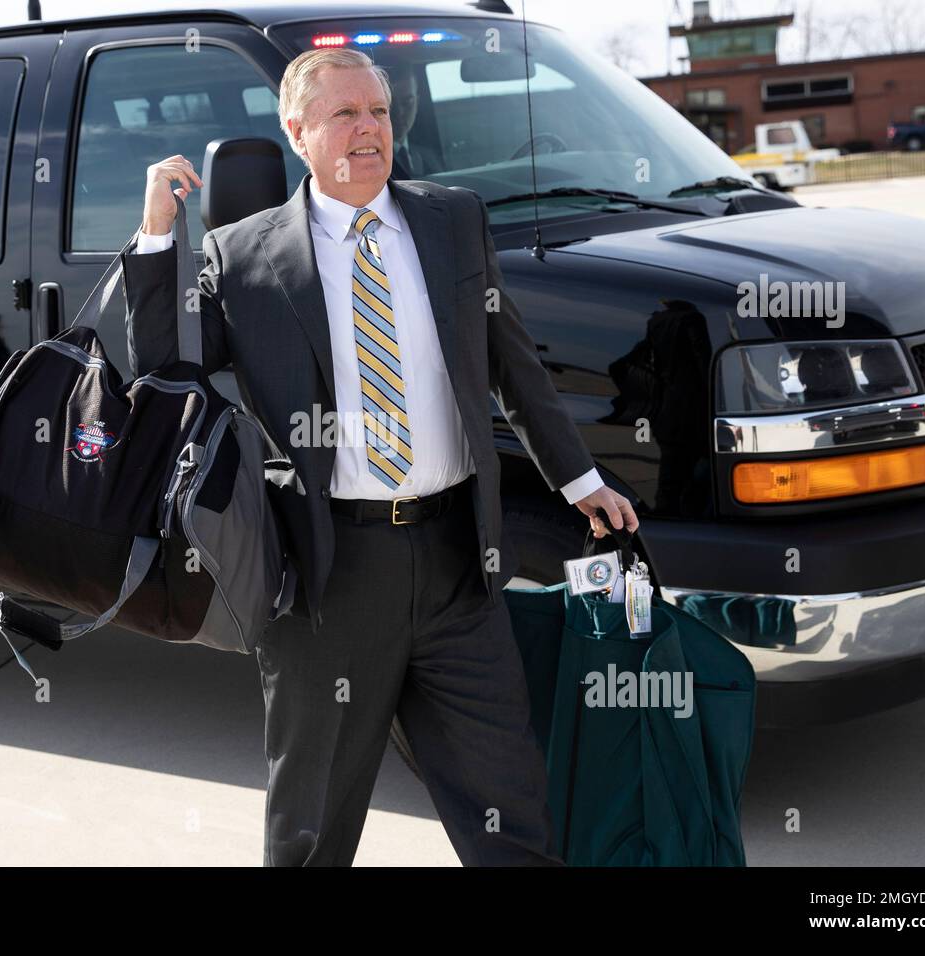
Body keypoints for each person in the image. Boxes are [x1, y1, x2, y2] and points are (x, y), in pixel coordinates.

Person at [123, 47, 638, 866]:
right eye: (343, 115)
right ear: (297, 132)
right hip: (326, 575)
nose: (368, 131)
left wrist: (578, 478)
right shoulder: (242, 255)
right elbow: (165, 367)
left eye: (379, 113)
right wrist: (158, 236)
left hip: (457, 564)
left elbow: (512, 364)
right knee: (314, 827)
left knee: (511, 805)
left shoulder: (452, 219)